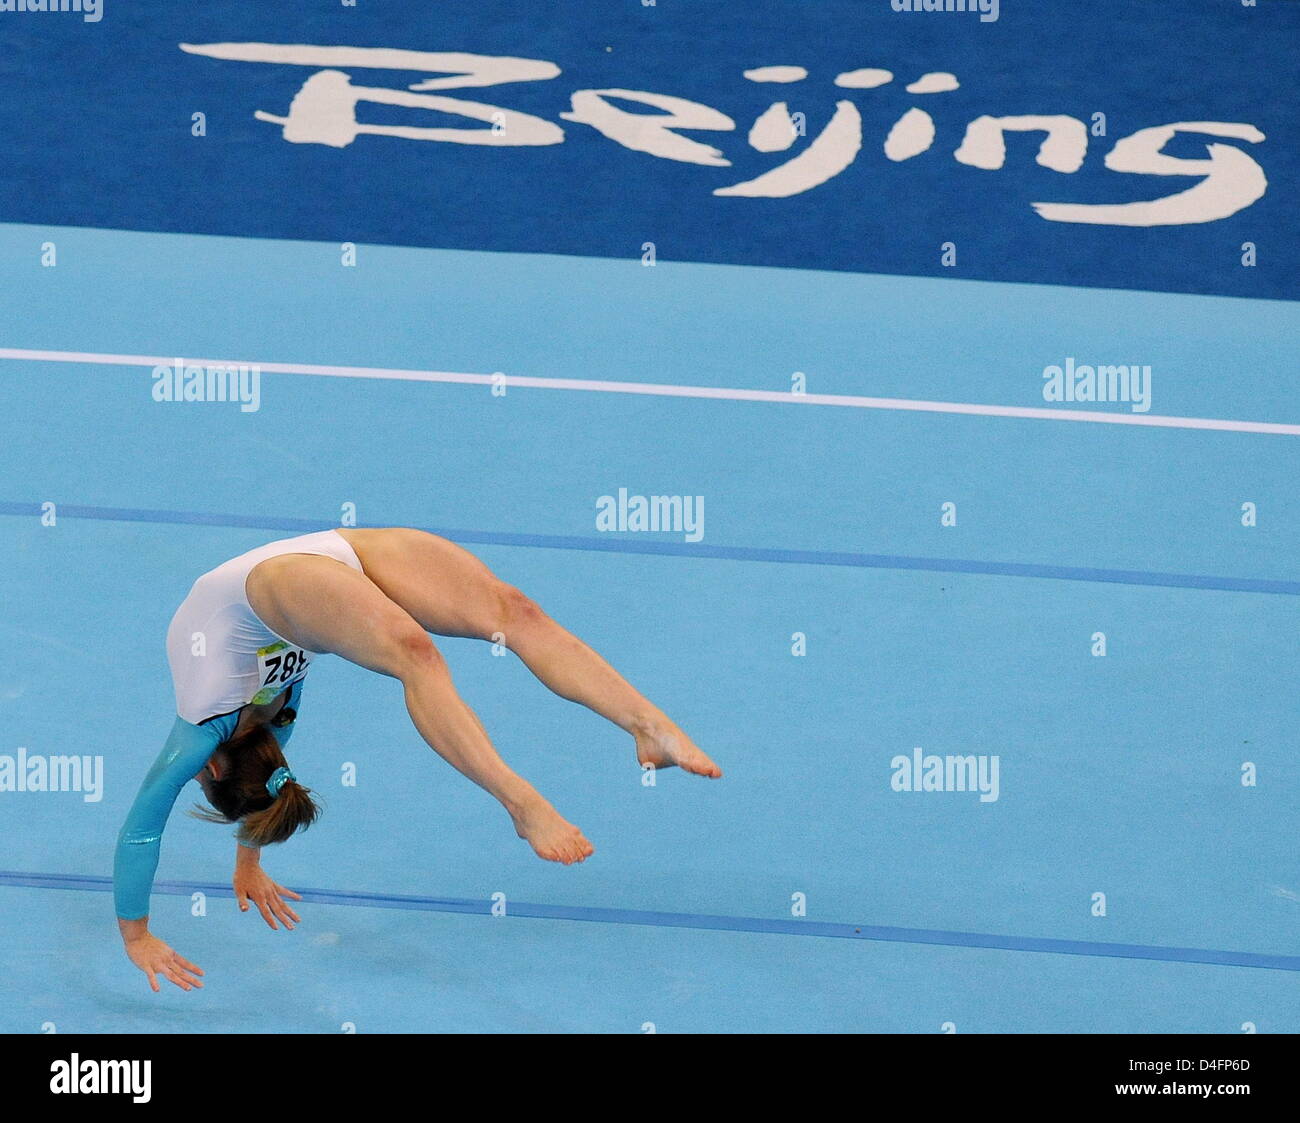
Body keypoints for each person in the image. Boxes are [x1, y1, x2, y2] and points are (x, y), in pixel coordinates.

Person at [114, 527, 721, 992]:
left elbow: (144, 826)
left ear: (216, 768)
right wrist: (247, 862)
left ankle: (646, 727)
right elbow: (270, 763)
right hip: (321, 562)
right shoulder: (270, 716)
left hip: (286, 581)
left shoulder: (204, 723)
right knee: (430, 649)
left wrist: (138, 937)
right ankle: (544, 790)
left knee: (509, 616)